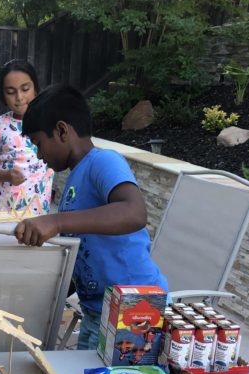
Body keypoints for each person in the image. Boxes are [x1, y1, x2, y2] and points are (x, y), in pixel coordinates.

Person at [14, 84, 168, 351]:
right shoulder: (75, 177)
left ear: (62, 131)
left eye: (39, 143)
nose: (39, 155)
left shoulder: (104, 161)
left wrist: (56, 221)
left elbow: (134, 212)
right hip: (97, 311)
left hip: (134, 309)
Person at [0, 59, 53, 214]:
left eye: (25, 89)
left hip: (34, 213)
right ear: (3, 95)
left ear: (35, 88)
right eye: (10, 92)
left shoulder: (50, 124)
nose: (19, 97)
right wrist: (5, 175)